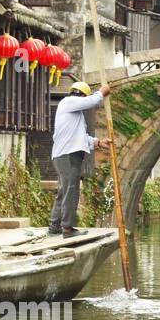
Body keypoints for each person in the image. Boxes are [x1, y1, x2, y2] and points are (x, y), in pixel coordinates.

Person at [49, 80, 111, 238]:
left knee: (64, 191)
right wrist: (102, 92)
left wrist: (97, 142)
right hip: (68, 156)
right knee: (71, 191)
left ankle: (55, 226)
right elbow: (92, 101)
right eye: (85, 97)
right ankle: (68, 229)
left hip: (65, 155)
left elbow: (81, 137)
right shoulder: (69, 101)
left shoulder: (73, 113)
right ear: (81, 95)